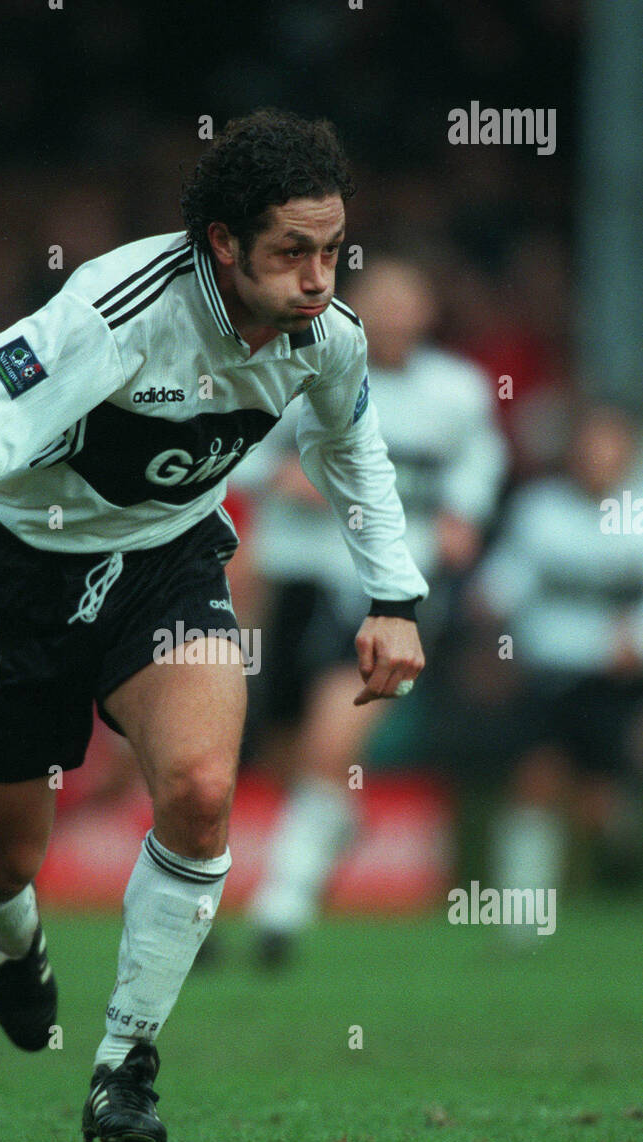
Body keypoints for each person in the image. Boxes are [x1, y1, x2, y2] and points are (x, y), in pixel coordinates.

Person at [0, 109, 427, 1142]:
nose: (318, 278)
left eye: (332, 250)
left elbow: (351, 449)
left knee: (198, 787)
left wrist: (395, 596)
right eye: (292, 251)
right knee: (8, 852)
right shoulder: (122, 306)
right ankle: (7, 947)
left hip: (170, 564)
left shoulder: (323, 337)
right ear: (224, 242)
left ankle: (124, 1063)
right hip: (22, 573)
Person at [232, 257, 507, 962]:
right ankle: (332, 821)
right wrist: (277, 475)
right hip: (296, 573)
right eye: (378, 300)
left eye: (404, 301)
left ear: (426, 312)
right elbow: (236, 450)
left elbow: (479, 463)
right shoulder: (302, 369)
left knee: (334, 740)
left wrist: (462, 515)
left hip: (388, 584)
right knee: (283, 750)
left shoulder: (457, 390)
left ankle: (280, 908)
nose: (390, 315)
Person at [474, 400, 643, 933]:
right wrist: (488, 608)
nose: (595, 455)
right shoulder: (540, 507)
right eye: (587, 443)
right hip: (546, 671)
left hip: (615, 678)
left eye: (608, 443)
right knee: (534, 781)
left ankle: (622, 862)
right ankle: (521, 921)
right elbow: (507, 578)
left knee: (601, 804)